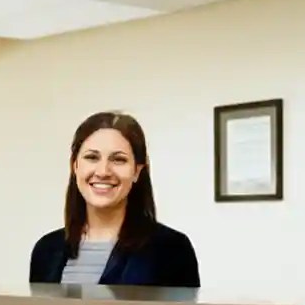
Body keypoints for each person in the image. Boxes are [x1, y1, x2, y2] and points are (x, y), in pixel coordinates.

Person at [29, 111, 200, 287]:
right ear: (75, 166)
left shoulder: (171, 249)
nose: (103, 171)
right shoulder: (46, 250)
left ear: (137, 171)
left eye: (118, 160)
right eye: (92, 157)